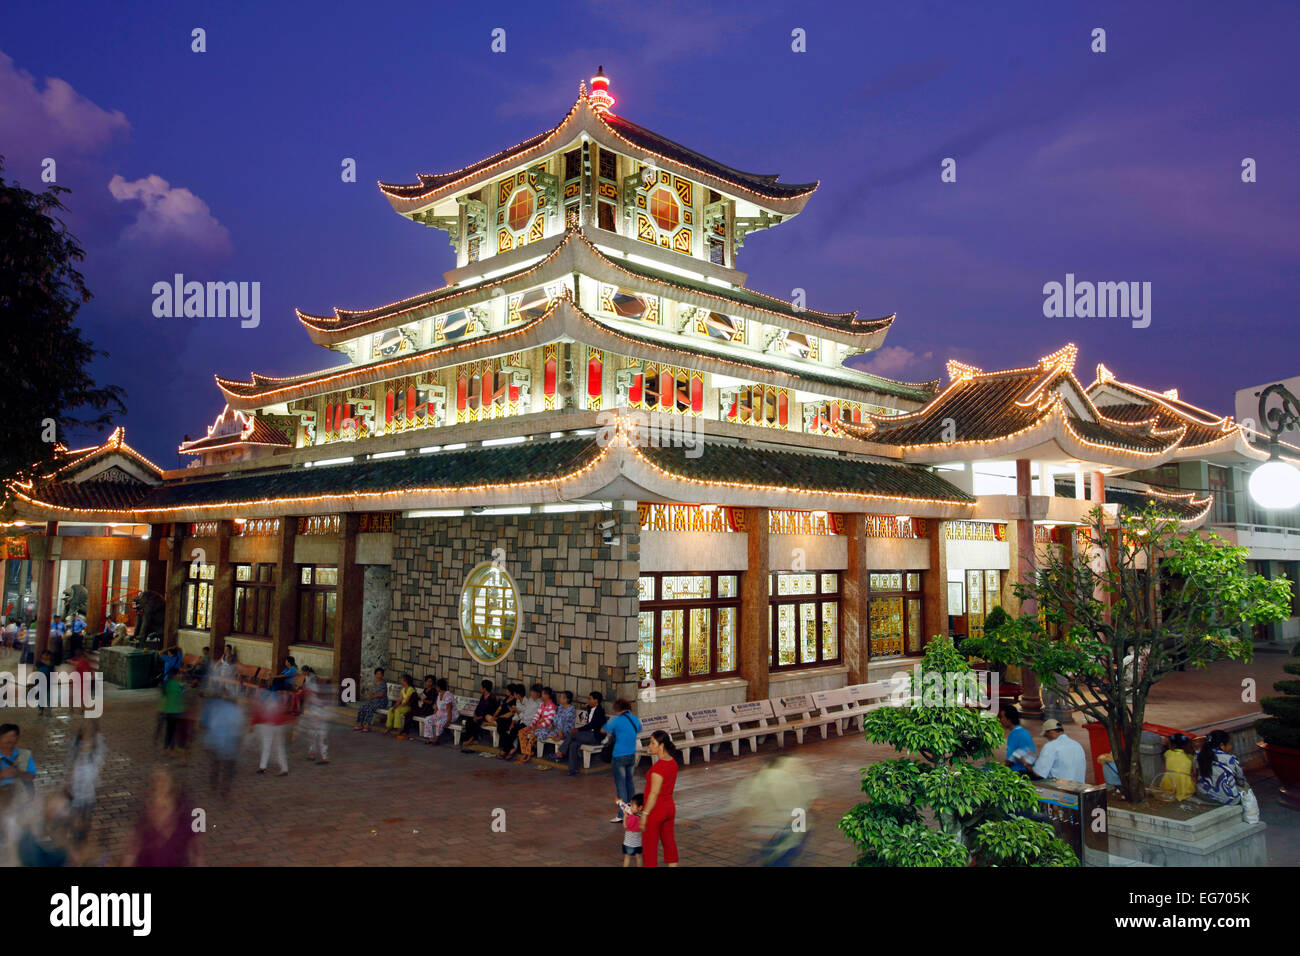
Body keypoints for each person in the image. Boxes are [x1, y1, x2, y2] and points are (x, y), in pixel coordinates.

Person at [122, 768, 201, 866]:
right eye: (153, 806)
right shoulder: (143, 824)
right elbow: (130, 853)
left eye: (163, 808)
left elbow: (196, 853)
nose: (157, 813)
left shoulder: (185, 823)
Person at [641, 730, 680, 867]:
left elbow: (654, 793)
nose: (649, 746)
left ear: (661, 746)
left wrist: (645, 813)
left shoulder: (659, 767)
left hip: (656, 810)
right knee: (669, 842)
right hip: (669, 807)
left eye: (652, 743)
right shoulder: (672, 763)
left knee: (649, 846)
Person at [66, 720, 106, 837]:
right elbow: (70, 768)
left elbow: (99, 764)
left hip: (88, 797)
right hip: (76, 796)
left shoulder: (94, 756)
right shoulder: (76, 752)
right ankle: (77, 836)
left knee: (86, 820)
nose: (85, 745)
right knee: (76, 821)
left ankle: (83, 836)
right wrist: (69, 782)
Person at [201, 689, 244, 797]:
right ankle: (225, 789)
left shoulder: (216, 708)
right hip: (228, 743)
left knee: (215, 763)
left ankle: (213, 782)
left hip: (214, 741)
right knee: (229, 768)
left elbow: (206, 724)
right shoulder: (236, 711)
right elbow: (237, 730)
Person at [600, 700, 641, 814]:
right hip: (631, 754)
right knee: (630, 783)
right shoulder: (635, 719)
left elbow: (603, 730)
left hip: (619, 755)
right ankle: (634, 809)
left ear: (617, 709)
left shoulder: (616, 720)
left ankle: (622, 813)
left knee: (621, 785)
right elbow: (638, 729)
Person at [1196, 729, 1248, 805]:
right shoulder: (1230, 759)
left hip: (1202, 793)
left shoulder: (1198, 755)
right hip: (1224, 798)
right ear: (1222, 745)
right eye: (1230, 744)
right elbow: (1241, 780)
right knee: (1246, 789)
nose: (1231, 746)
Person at [561, 691, 608, 774]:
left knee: (572, 734)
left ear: (596, 701)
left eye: (590, 699)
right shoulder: (590, 709)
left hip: (595, 737)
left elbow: (592, 725)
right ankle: (573, 769)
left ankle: (561, 752)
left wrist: (578, 729)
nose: (588, 701)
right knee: (573, 744)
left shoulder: (600, 711)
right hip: (588, 735)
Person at [1028, 719, 1087, 783]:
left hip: (1059, 789)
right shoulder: (1077, 745)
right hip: (1079, 788)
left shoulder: (1050, 746)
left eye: (1046, 735)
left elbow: (1038, 773)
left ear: (1050, 732)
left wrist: (1026, 764)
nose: (1047, 738)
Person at [251, 689, 293, 776]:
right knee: (278, 747)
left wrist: (253, 722)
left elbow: (259, 710)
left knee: (267, 746)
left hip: (270, 724)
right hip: (277, 724)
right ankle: (283, 768)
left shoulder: (266, 695)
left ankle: (263, 767)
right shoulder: (281, 696)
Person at [513, 686, 556, 763]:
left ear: (547, 695)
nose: (541, 696)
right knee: (521, 732)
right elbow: (536, 716)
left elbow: (549, 721)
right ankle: (525, 752)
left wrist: (537, 727)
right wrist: (531, 725)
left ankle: (527, 754)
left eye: (543, 694)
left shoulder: (552, 706)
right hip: (537, 726)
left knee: (533, 735)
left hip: (546, 728)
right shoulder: (542, 704)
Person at [299, 667, 331, 764]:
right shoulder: (314, 690)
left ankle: (323, 756)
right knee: (313, 735)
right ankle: (313, 754)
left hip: (319, 715)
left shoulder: (321, 691)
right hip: (315, 715)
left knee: (320, 736)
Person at [500, 683, 540, 759]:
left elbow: (527, 717)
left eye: (532, 692)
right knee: (511, 728)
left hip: (529, 723)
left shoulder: (537, 703)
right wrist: (513, 722)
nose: (530, 693)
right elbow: (519, 716)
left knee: (514, 730)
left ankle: (507, 750)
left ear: (537, 693)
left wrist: (517, 711)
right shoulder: (529, 700)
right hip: (523, 721)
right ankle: (510, 749)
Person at [457, 679, 497, 751]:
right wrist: (475, 715)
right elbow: (478, 707)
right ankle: (472, 739)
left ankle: (470, 740)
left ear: (484, 688)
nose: (480, 689)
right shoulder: (483, 696)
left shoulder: (492, 698)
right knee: (469, 721)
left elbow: (489, 711)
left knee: (475, 723)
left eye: (481, 687)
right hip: (478, 715)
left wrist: (478, 718)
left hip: (486, 717)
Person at [1159, 733, 1197, 801]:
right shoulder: (1190, 756)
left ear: (1173, 745)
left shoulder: (1168, 753)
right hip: (1184, 787)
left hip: (1168, 784)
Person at [999, 704, 1036, 774]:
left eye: (1002, 717)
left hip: (1019, 771)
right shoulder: (1023, 731)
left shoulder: (1014, 734)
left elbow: (1009, 761)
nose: (1001, 720)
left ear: (1008, 719)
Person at [0, 724, 36, 794]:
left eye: (12, 736)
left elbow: (32, 776)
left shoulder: (25, 754)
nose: (9, 739)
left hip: (21, 799)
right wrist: (2, 775)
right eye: (5, 736)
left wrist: (18, 773)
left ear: (17, 738)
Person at [540, 690, 576, 757]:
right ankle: (553, 736)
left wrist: (559, 731)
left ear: (566, 699)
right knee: (539, 731)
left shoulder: (571, 709)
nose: (559, 698)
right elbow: (555, 718)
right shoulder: (560, 707)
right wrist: (552, 725)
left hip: (566, 731)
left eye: (561, 697)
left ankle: (560, 736)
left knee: (560, 718)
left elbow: (565, 721)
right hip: (557, 730)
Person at [424, 677, 459, 745]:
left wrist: (449, 720)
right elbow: (437, 707)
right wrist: (434, 715)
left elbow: (449, 710)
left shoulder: (448, 695)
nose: (436, 687)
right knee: (428, 719)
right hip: (441, 714)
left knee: (440, 722)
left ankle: (437, 739)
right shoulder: (439, 694)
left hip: (451, 715)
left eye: (436, 686)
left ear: (439, 687)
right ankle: (431, 738)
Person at [354, 668, 388, 732]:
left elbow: (381, 694)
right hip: (374, 701)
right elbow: (372, 692)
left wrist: (373, 696)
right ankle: (360, 724)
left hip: (381, 702)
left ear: (382, 675)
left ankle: (368, 725)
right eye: (377, 674)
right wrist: (370, 696)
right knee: (362, 707)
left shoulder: (383, 683)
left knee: (370, 708)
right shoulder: (375, 683)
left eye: (380, 674)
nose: (378, 676)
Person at [384, 674, 416, 738]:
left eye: (402, 681)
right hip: (402, 706)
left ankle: (399, 729)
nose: (401, 682)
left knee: (397, 711)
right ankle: (389, 727)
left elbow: (407, 701)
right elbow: (399, 700)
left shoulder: (411, 689)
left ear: (406, 681)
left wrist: (398, 707)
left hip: (408, 707)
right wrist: (394, 707)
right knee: (391, 710)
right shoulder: (403, 689)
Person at [616, 794, 644, 866]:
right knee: (639, 857)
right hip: (638, 843)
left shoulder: (632, 818)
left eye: (632, 806)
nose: (630, 807)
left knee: (627, 857)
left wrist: (625, 817)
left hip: (629, 843)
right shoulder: (642, 817)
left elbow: (625, 826)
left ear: (640, 807)